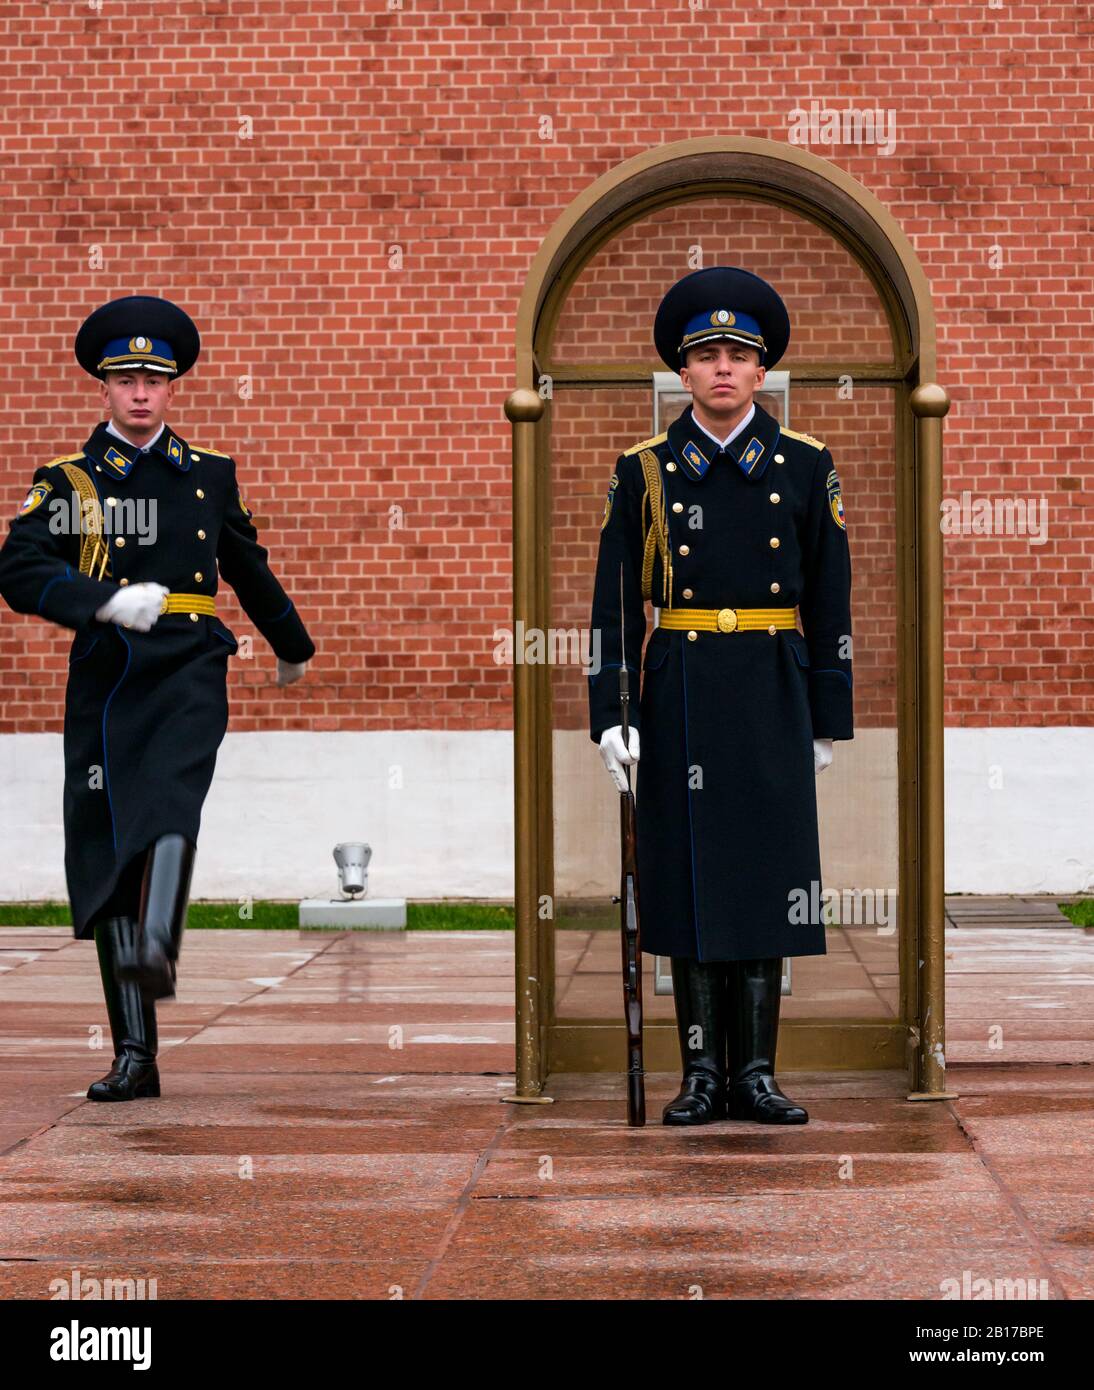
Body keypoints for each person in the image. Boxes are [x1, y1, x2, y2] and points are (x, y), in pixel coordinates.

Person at [0, 295, 316, 1101]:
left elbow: (246, 565)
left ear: (172, 388)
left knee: (170, 806)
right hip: (108, 674)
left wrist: (292, 645)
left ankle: (161, 941)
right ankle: (135, 1054)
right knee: (109, 860)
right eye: (126, 380)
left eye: (154, 380)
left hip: (188, 664)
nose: (141, 394)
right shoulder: (68, 482)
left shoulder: (206, 475)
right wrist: (97, 602)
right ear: (104, 390)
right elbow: (20, 568)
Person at [588, 266, 853, 1126]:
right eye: (707, 356)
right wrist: (612, 717)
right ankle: (701, 1072)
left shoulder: (806, 466)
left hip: (773, 683)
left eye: (740, 354)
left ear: (764, 368)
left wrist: (827, 715)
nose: (725, 369)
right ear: (684, 372)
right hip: (683, 687)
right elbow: (615, 603)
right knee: (691, 881)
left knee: (769, 877)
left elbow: (834, 597)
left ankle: (758, 1073)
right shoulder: (647, 472)